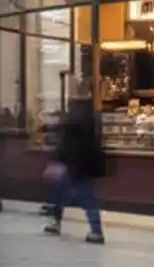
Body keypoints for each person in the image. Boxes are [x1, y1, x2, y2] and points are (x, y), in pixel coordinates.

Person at [43, 91, 105, 244]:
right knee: (88, 199)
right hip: (85, 166)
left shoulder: (71, 126)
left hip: (71, 165)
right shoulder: (92, 123)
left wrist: (57, 160)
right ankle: (96, 230)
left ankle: (55, 223)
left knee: (59, 195)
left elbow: (65, 145)